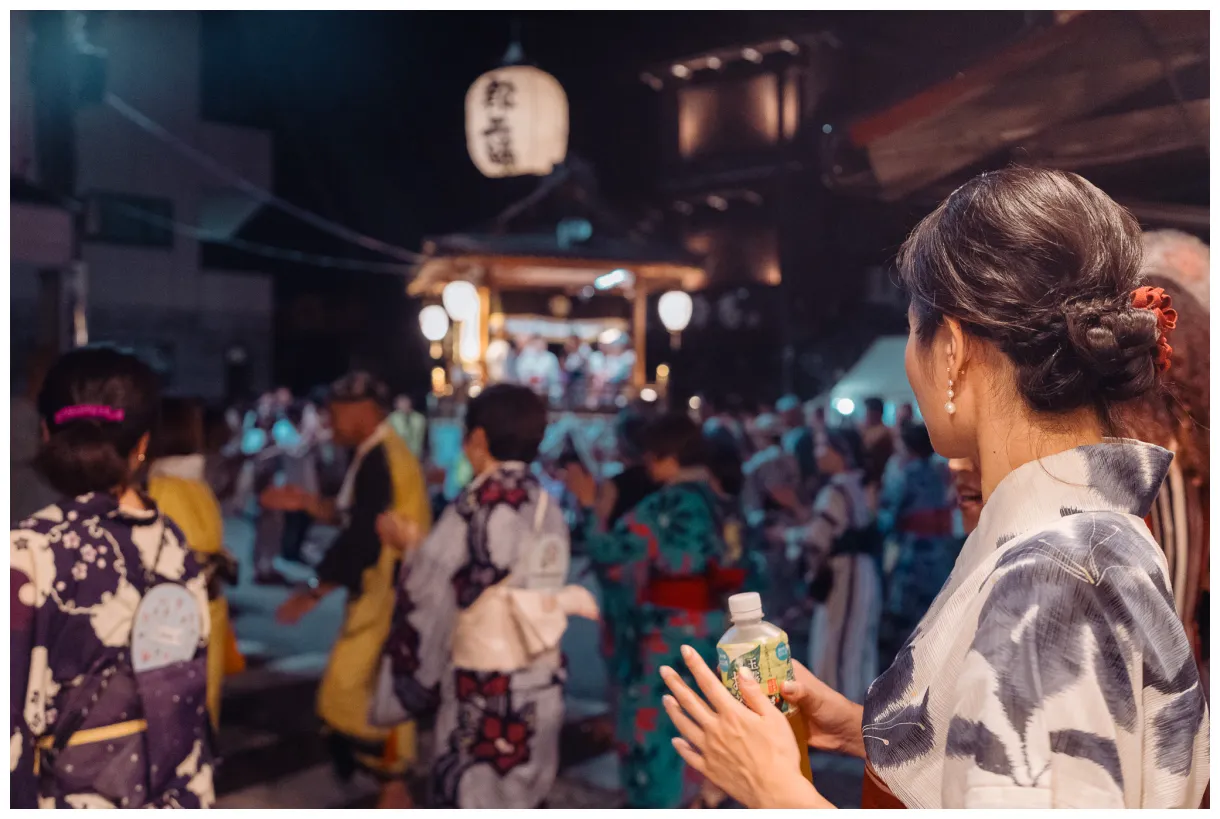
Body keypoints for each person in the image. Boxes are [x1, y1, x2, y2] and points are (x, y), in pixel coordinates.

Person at [659, 168, 1209, 809]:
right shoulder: (1081, 537)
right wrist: (873, 734)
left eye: (913, 330)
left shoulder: (1050, 578)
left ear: (950, 346)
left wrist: (776, 790)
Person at [11, 347, 214, 808]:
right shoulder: (171, 545)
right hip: (168, 789)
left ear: (45, 432)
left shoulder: (29, 551)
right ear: (142, 444)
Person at [377, 384, 593, 808]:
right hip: (540, 679)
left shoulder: (475, 506)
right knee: (524, 795)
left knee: (472, 792)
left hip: (484, 683)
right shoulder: (547, 504)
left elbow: (432, 592)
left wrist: (410, 549)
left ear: (477, 438)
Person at [265, 371, 431, 809]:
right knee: (371, 693)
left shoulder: (383, 459)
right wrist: (305, 503)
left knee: (350, 693)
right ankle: (386, 781)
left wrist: (313, 590)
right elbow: (352, 516)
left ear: (363, 414)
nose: (330, 423)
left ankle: (390, 782)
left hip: (389, 596)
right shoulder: (377, 454)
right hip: (385, 594)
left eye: (336, 414)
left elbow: (362, 536)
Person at [565, 412, 748, 809]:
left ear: (668, 456)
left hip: (668, 632)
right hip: (719, 628)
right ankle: (700, 796)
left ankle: (659, 803)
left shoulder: (666, 504)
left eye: (649, 455)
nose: (646, 464)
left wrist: (587, 506)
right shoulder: (726, 503)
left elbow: (609, 551)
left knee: (654, 722)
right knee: (702, 714)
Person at [147, 397, 240, 731]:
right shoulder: (193, 488)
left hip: (176, 621)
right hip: (202, 612)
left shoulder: (159, 489)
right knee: (199, 710)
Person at [776, 429, 882, 705]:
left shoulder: (837, 489)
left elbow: (817, 539)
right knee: (857, 644)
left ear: (840, 453)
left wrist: (785, 535)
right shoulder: (860, 484)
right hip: (863, 571)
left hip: (846, 574)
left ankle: (841, 713)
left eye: (822, 446)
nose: (817, 453)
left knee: (838, 644)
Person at [876, 422, 960, 668]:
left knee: (909, 619)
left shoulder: (905, 474)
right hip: (939, 551)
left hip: (912, 553)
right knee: (935, 611)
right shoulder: (942, 472)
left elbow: (889, 514)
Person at [11, 346, 59, 521]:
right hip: (22, 513)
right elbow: (32, 452)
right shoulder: (15, 412)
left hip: (45, 512)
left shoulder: (46, 414)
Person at [858, 396, 894, 489]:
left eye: (867, 412)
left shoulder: (884, 432)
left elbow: (867, 449)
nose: (864, 415)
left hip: (878, 479)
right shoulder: (865, 430)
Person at [389, 394, 427, 459]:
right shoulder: (391, 419)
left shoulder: (420, 418)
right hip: (398, 456)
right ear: (396, 404)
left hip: (416, 454)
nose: (404, 404)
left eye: (406, 401)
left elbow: (422, 438)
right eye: (401, 401)